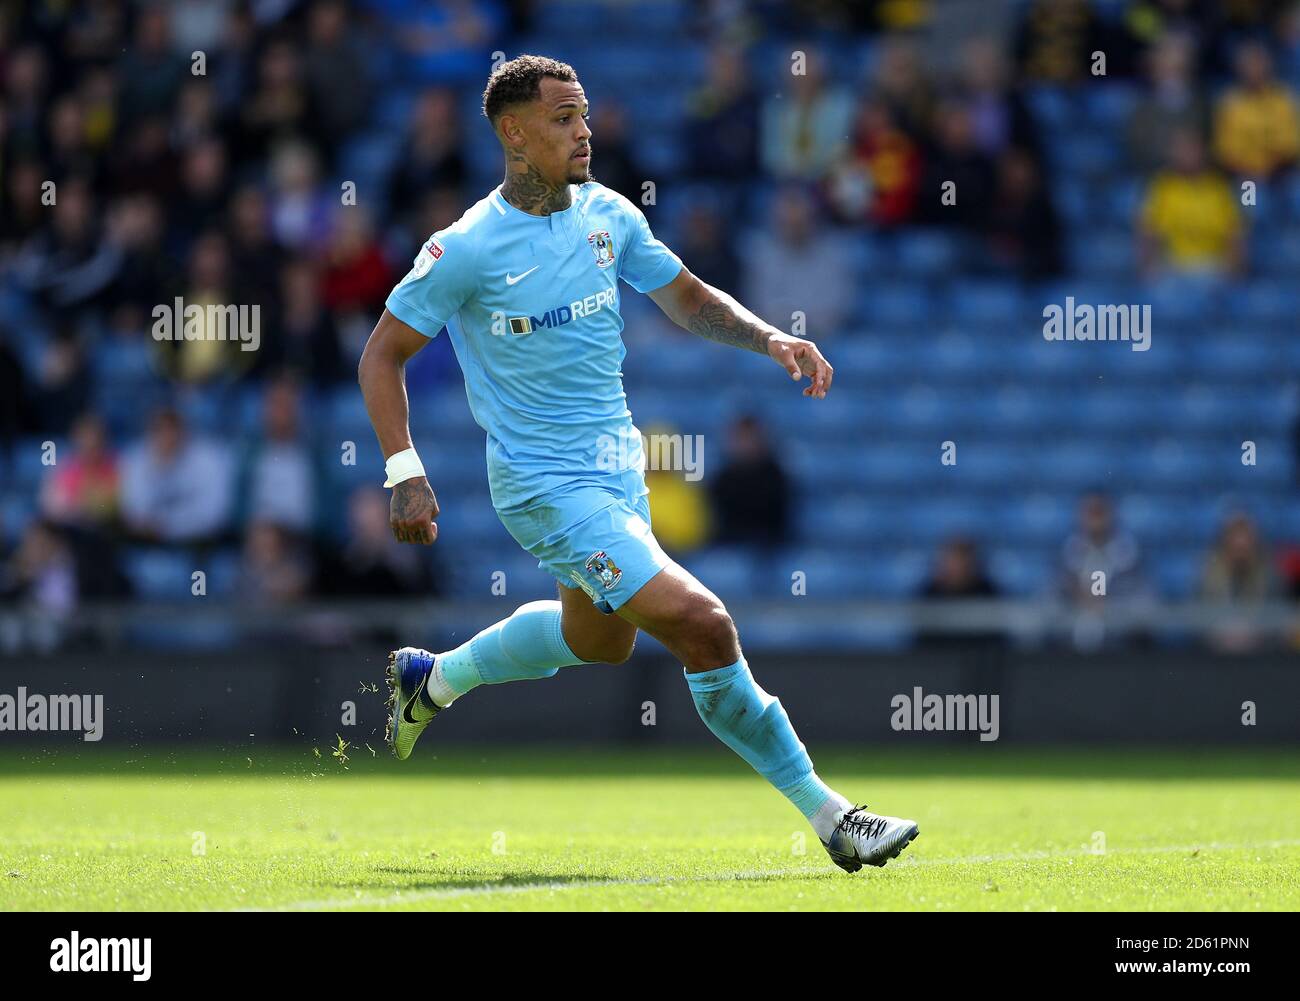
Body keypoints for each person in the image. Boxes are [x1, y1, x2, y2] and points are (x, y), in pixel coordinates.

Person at [358, 55, 916, 873]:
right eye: (561, 117)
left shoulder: (608, 215)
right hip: (541, 484)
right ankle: (833, 815)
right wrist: (403, 468)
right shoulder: (467, 248)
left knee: (602, 642)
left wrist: (771, 338)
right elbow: (381, 355)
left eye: (583, 113)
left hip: (616, 473)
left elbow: (685, 296)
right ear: (512, 132)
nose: (583, 130)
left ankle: (432, 678)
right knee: (704, 623)